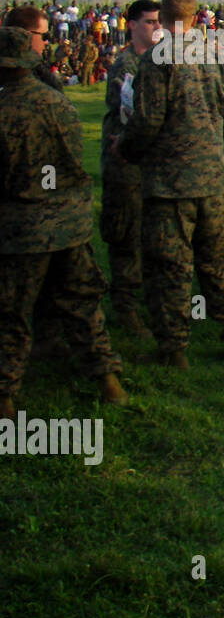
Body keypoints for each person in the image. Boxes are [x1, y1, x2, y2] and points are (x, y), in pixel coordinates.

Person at [116, 0, 224, 367]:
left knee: (170, 268)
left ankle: (174, 349)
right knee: (218, 262)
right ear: (196, 18)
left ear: (163, 17)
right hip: (211, 182)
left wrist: (125, 150)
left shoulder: (158, 60)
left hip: (168, 185)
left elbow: (147, 122)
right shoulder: (212, 59)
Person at [0, 27, 127, 417]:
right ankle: (107, 380)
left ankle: (5, 394)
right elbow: (69, 161)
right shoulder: (60, 104)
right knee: (83, 305)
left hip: (21, 229)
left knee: (10, 313)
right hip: (68, 222)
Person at [99, 0, 161, 337]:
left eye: (159, 23)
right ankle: (125, 308)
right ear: (132, 24)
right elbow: (131, 113)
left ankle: (150, 304)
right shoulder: (127, 64)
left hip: (148, 162)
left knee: (150, 236)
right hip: (124, 162)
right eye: (150, 22)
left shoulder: (156, 62)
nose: (156, 28)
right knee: (125, 235)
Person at [3, 5, 64, 91]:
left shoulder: (40, 71)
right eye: (45, 36)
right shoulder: (38, 78)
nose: (46, 42)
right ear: (26, 35)